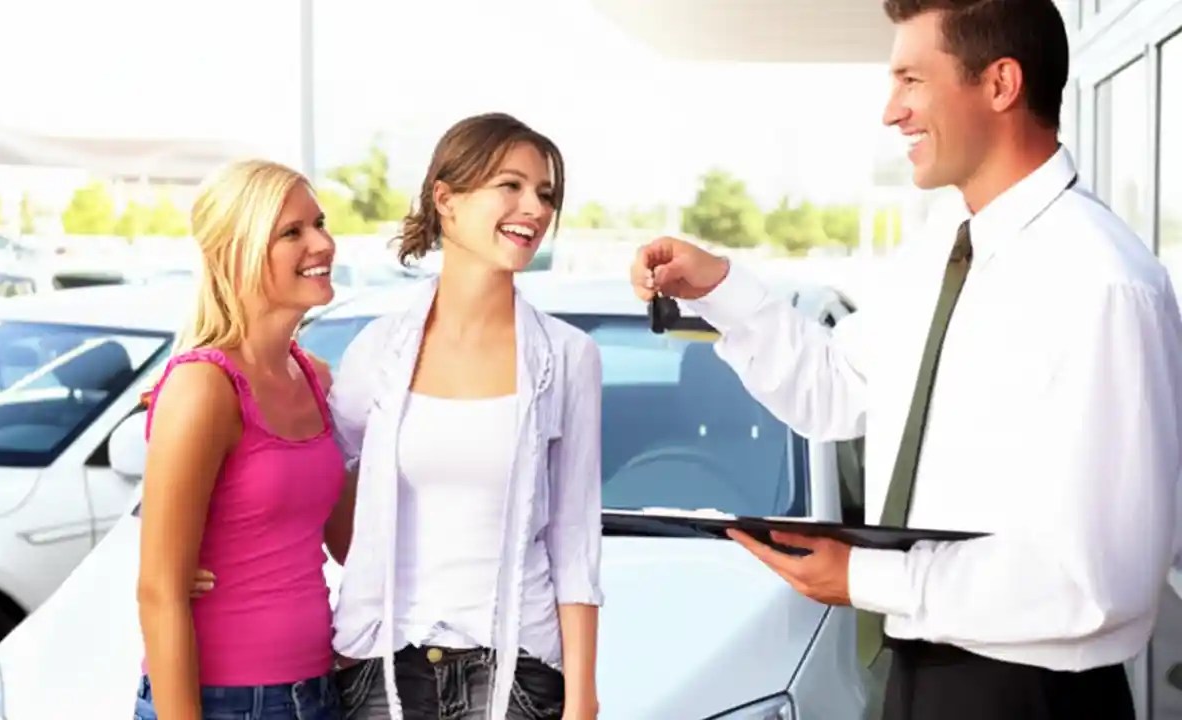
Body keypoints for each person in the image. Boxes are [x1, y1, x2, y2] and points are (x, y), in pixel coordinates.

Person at [629, 1, 1182, 719]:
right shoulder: (940, 253)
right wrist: (720, 289)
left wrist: (866, 579)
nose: (892, 112)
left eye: (912, 80)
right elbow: (835, 392)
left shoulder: (1103, 284)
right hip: (918, 676)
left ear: (1001, 83)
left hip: (1030, 697)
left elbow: (1102, 582)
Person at [327, 112, 604, 720]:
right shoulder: (377, 351)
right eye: (511, 185)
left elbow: (575, 538)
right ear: (446, 199)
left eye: (546, 194)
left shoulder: (568, 357)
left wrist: (583, 698)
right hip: (379, 664)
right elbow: (318, 486)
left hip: (517, 670)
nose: (534, 207)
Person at [135, 158, 353, 720]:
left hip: (318, 690)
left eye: (320, 223)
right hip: (223, 701)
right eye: (292, 232)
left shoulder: (317, 378)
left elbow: (347, 543)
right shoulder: (204, 387)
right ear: (235, 253)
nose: (323, 242)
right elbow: (159, 592)